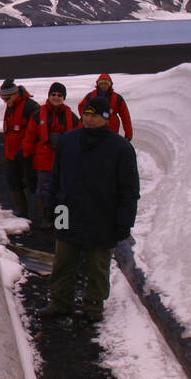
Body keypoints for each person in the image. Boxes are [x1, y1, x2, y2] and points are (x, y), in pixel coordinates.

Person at [45, 96, 140, 322]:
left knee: (98, 265)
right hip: (67, 212)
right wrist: (52, 207)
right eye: (86, 114)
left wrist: (124, 222)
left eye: (94, 115)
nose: (88, 119)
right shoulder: (68, 140)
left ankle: (93, 306)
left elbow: (129, 190)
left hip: (102, 215)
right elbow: (55, 177)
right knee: (63, 261)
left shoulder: (121, 148)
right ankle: (59, 303)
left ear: (106, 118)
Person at [22, 82, 77, 229]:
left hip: (64, 162)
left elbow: (79, 137)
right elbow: (30, 137)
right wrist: (27, 156)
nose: (56, 97)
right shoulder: (38, 115)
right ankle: (46, 219)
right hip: (43, 161)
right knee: (43, 191)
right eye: (53, 94)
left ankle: (61, 222)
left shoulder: (71, 116)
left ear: (64, 97)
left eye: (59, 95)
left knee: (63, 191)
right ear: (49, 96)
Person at [0, 78, 39, 219]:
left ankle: (45, 215)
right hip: (12, 153)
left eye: (8, 98)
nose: (6, 102)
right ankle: (21, 210)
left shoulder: (31, 107)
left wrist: (25, 150)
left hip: (27, 153)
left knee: (33, 183)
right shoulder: (11, 107)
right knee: (13, 181)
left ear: (16, 94)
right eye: (4, 100)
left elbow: (37, 131)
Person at [77, 72, 133, 140]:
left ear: (110, 85)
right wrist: (87, 118)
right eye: (101, 83)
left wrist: (128, 134)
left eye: (106, 83)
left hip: (111, 129)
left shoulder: (117, 98)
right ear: (98, 84)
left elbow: (125, 117)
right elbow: (81, 107)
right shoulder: (90, 96)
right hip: (93, 128)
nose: (103, 85)